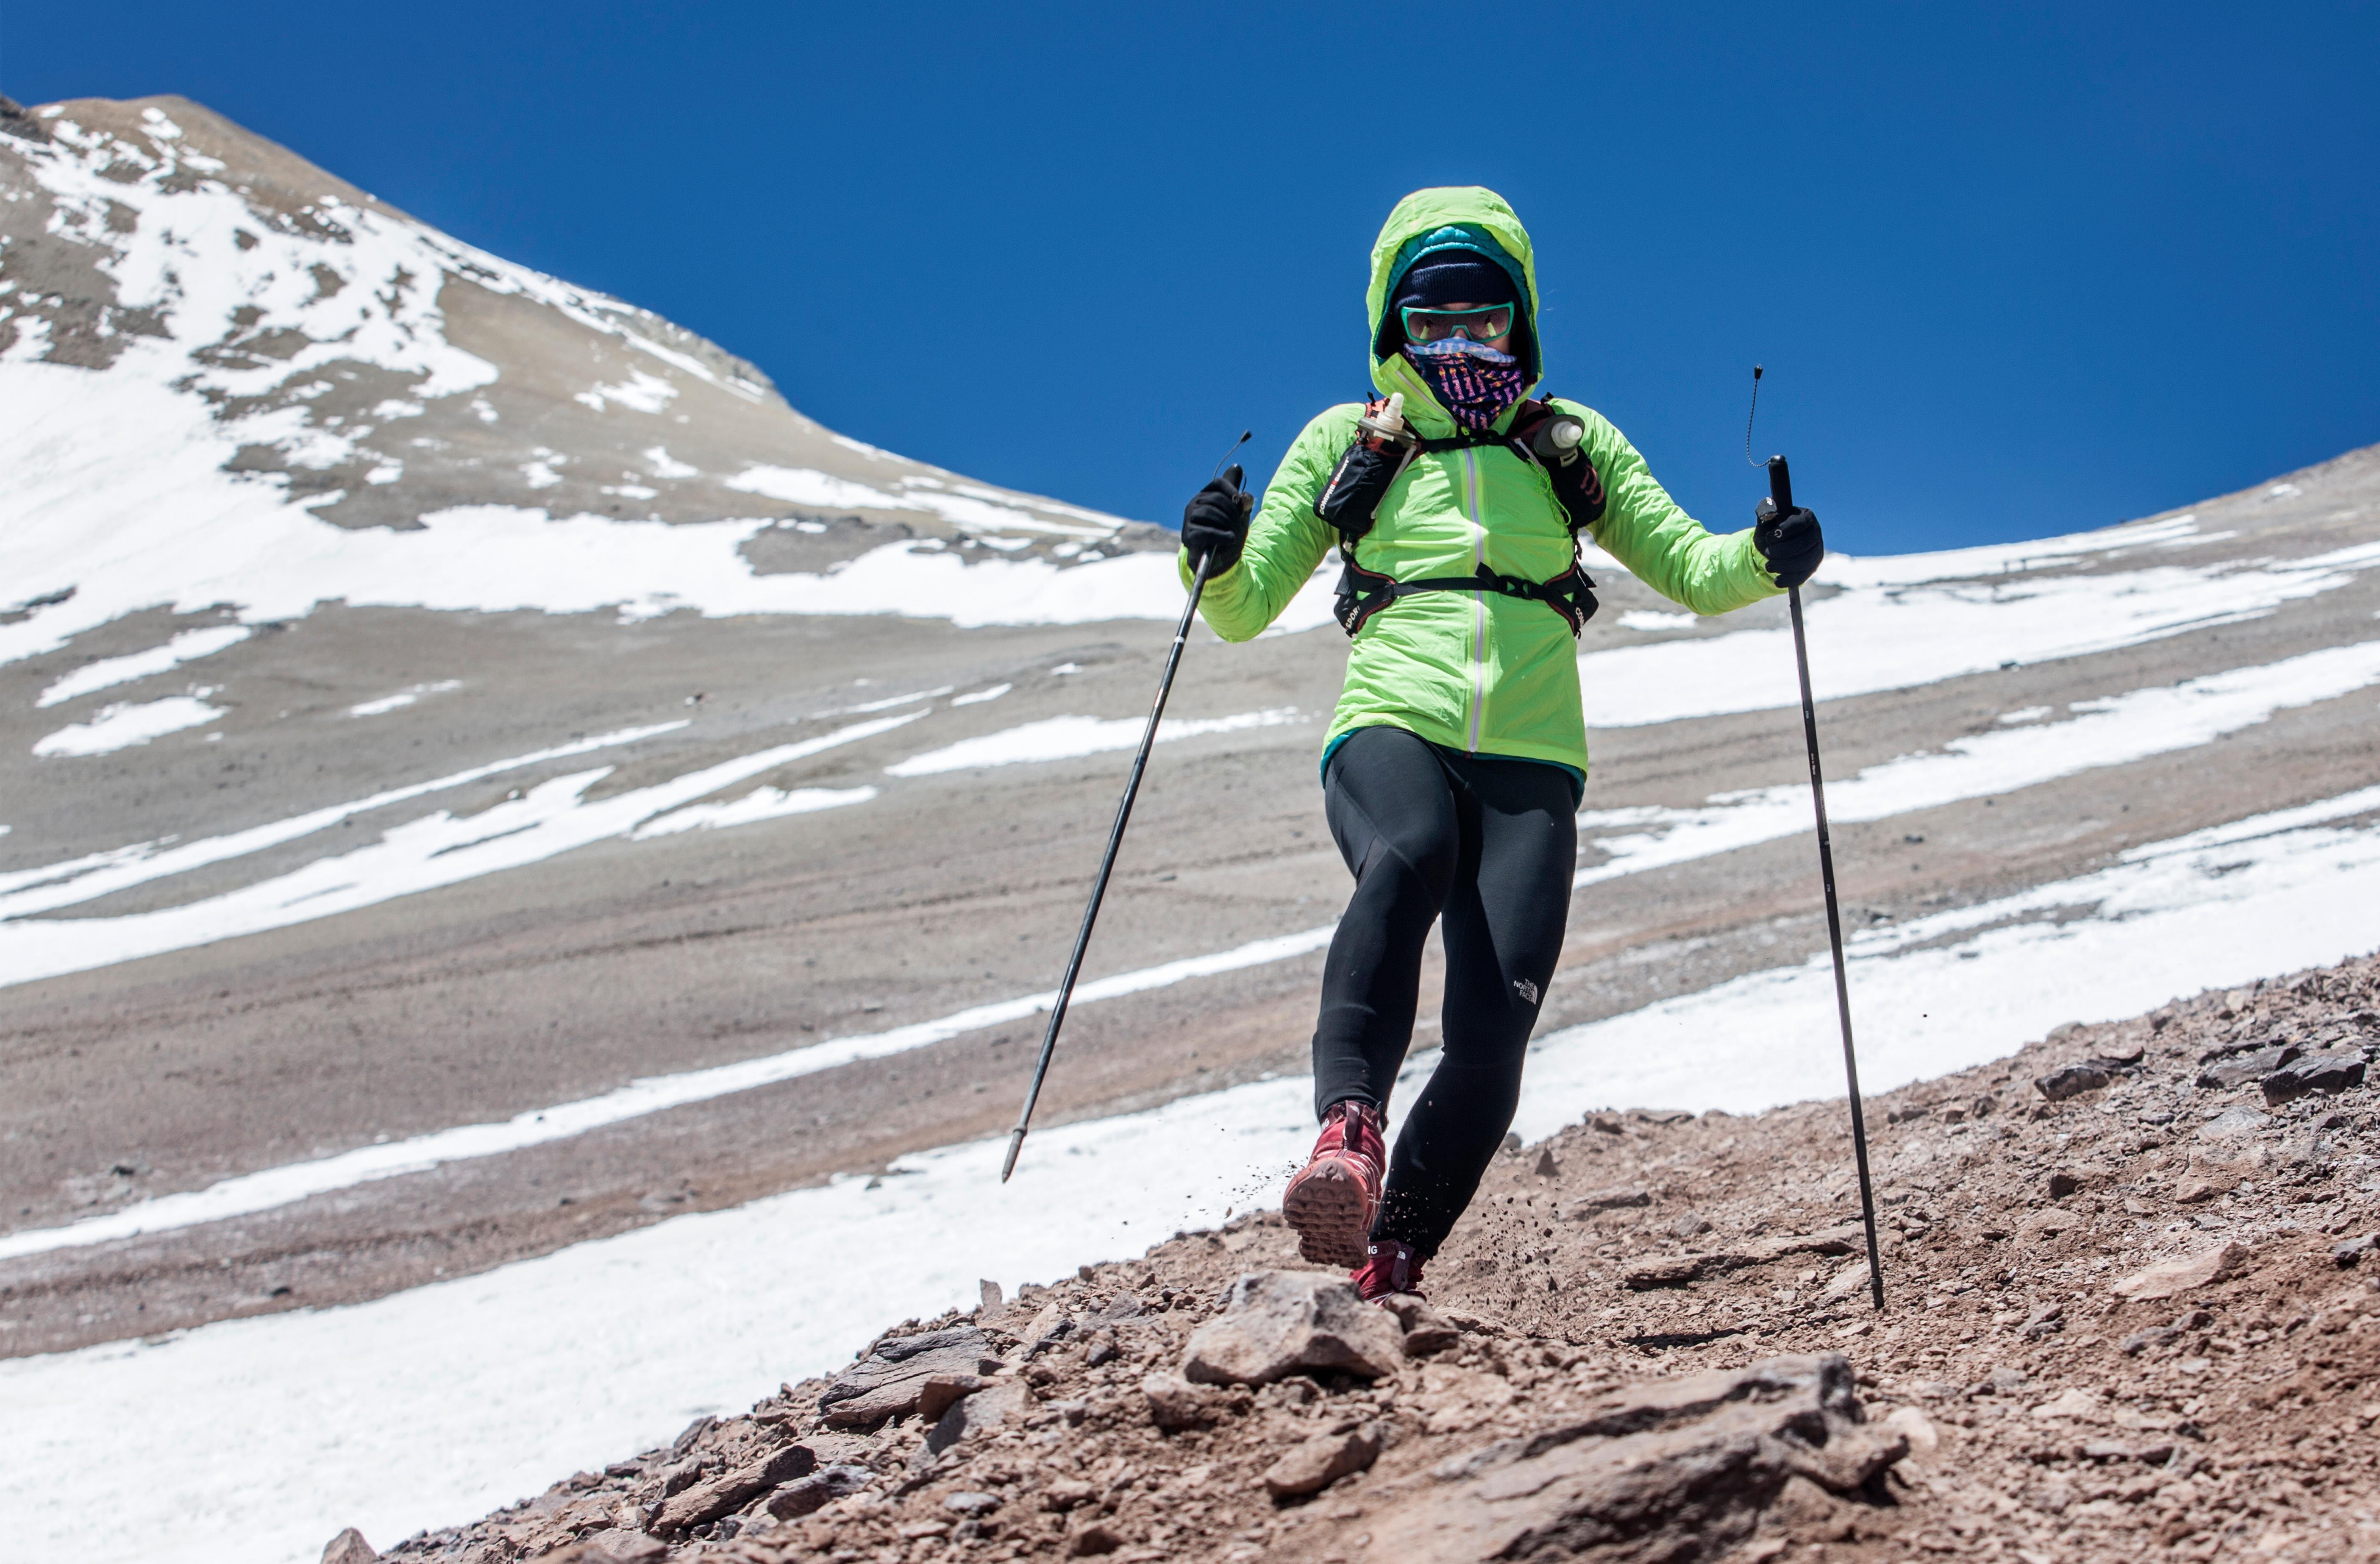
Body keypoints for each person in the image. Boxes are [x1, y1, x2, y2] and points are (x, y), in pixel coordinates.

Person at [1176, 186, 1822, 1302]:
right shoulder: (1352, 443)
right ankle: (1348, 1131)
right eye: (1432, 323)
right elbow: (1239, 607)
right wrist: (1215, 554)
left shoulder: (1568, 444)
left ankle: (1393, 1256)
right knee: (1408, 854)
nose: (1460, 342)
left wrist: (1770, 556)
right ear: (1396, 332)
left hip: (1534, 756)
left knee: (1497, 1024)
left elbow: (1691, 565)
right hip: (1393, 715)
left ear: (1520, 322)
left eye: (1484, 318)